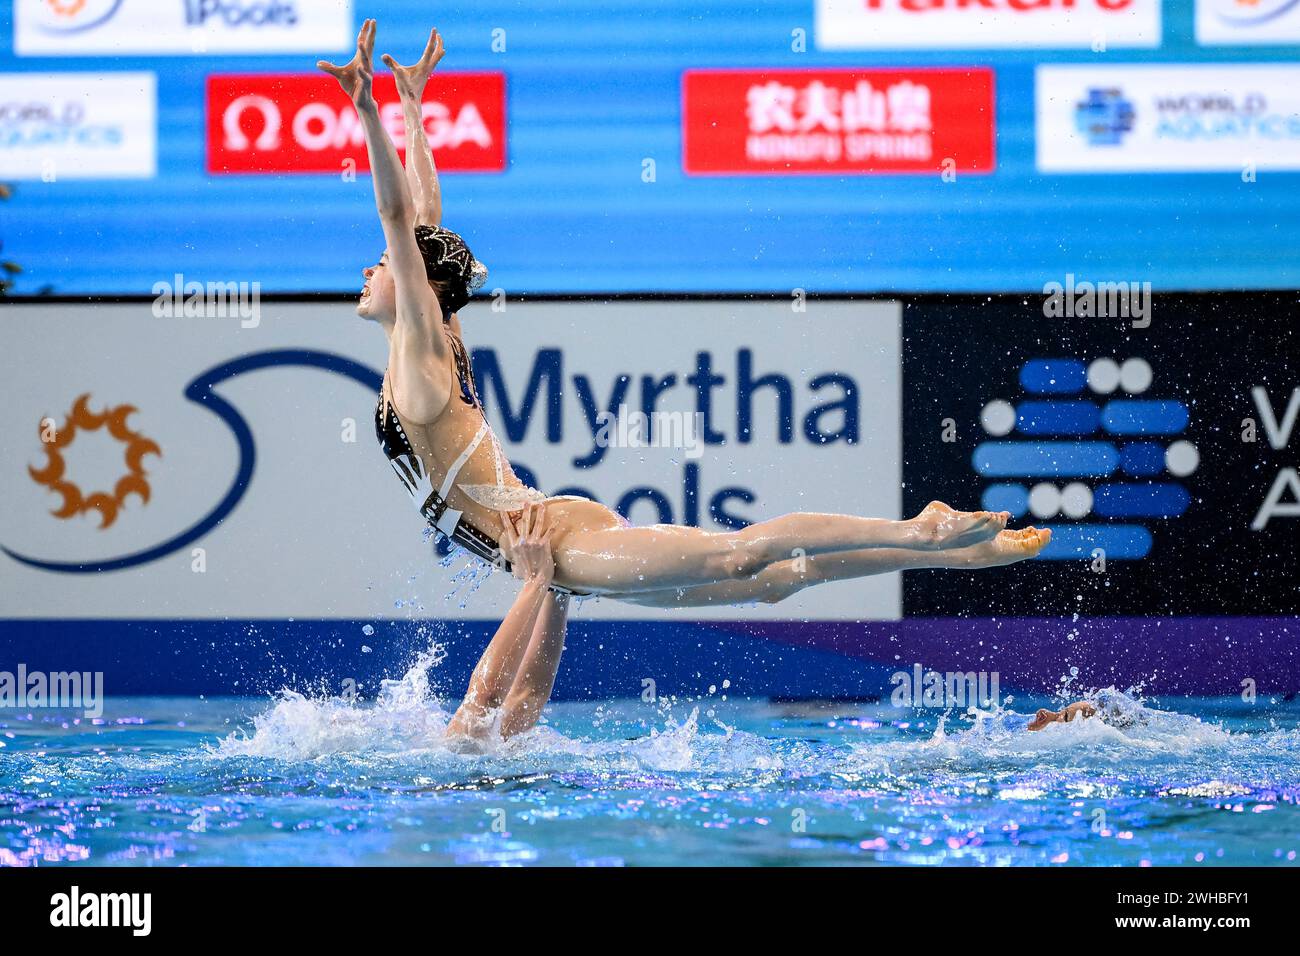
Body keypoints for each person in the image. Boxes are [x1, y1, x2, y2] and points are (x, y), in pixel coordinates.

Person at [319, 21, 1052, 606]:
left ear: (420, 287)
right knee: (770, 581)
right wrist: (417, 111)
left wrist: (371, 110)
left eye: (384, 267)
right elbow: (422, 219)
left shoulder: (424, 345)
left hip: (567, 546)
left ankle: (919, 532)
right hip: (564, 543)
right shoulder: (435, 334)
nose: (370, 269)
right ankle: (954, 553)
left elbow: (398, 215)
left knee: (741, 554)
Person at [445, 502, 568, 747]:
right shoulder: (464, 752)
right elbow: (493, 697)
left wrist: (555, 589)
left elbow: (526, 696)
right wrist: (538, 581)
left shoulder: (464, 754)